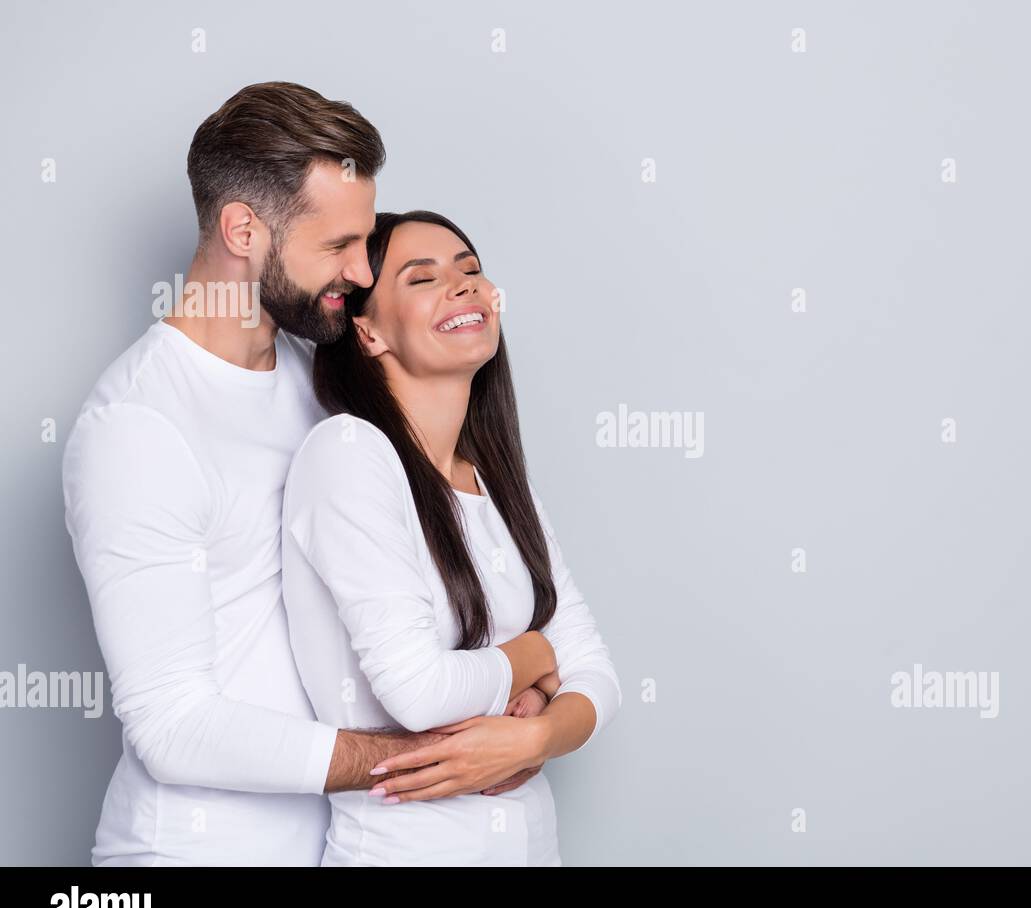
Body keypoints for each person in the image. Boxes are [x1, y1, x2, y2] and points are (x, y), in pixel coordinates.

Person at [59, 83, 537, 866]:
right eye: (339, 245)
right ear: (243, 229)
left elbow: (460, 558)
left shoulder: (333, 382)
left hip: (343, 845)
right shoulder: (138, 429)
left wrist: (523, 708)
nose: (361, 268)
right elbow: (173, 726)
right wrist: (432, 759)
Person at [282, 210, 621, 865]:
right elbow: (417, 693)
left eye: (471, 270)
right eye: (424, 278)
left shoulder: (494, 483)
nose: (465, 286)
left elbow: (598, 674)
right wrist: (531, 657)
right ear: (369, 331)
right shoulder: (349, 453)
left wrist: (537, 737)